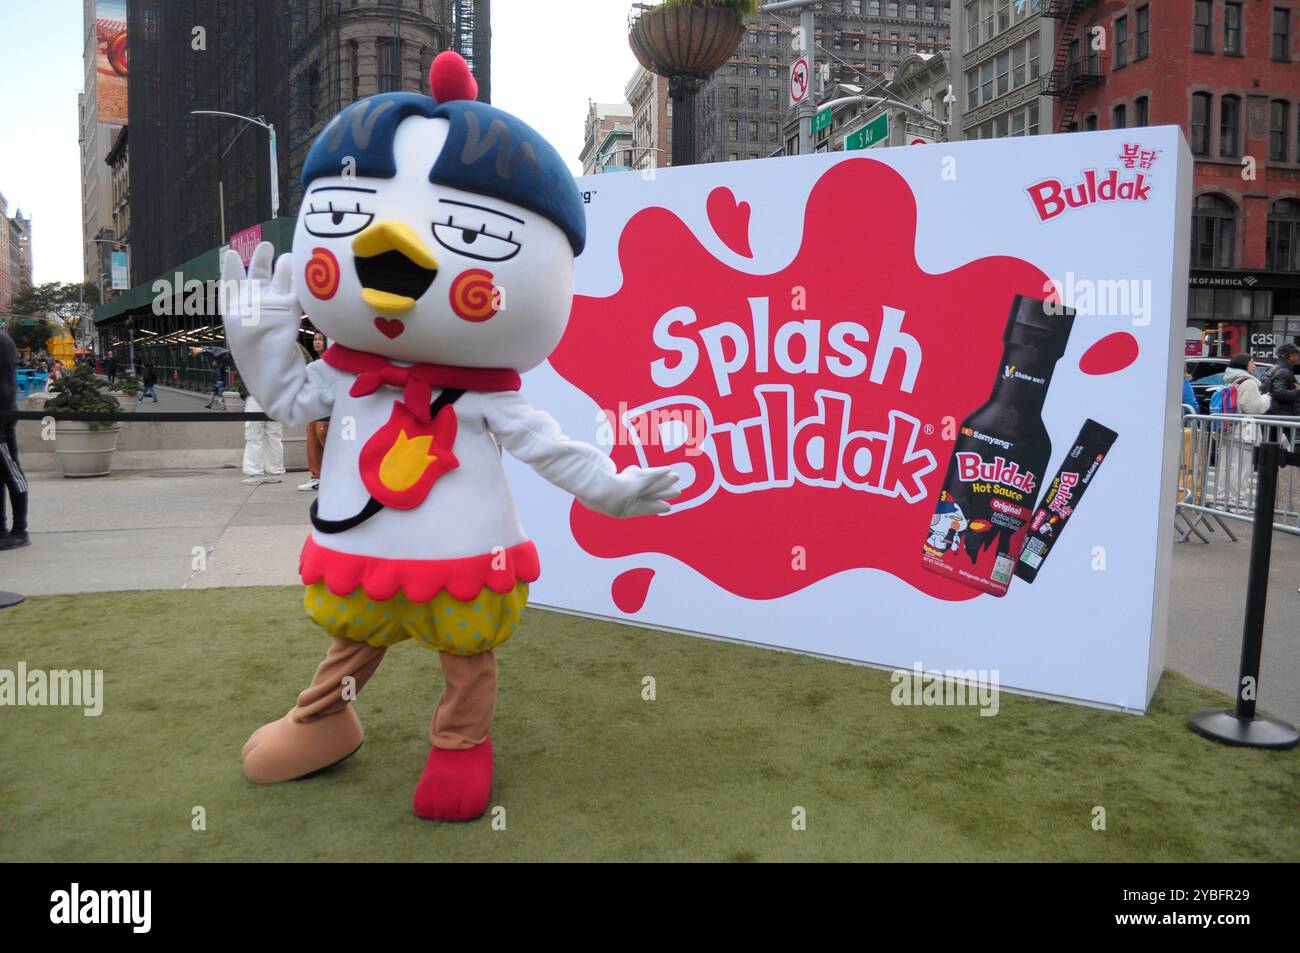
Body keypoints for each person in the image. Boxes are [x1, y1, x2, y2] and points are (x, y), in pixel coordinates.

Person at [1217, 354, 1272, 510]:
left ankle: (1221, 500)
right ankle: (1237, 502)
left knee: (1225, 465)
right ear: (1244, 365)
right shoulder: (1249, 383)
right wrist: (1267, 398)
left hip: (1228, 429)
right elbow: (1253, 407)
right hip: (1245, 431)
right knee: (1241, 468)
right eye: (1251, 362)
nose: (1254, 366)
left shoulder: (1229, 379)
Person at [0, 329, 30, 550]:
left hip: (2, 418)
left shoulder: (2, 341)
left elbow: (5, 387)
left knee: (12, 473)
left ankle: (20, 530)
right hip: (4, 414)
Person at [238, 375, 286, 485]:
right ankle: (274, 472)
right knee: (274, 436)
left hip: (255, 393)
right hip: (276, 394)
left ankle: (256, 472)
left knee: (254, 435)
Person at [300, 330, 329, 492]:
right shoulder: (317, 361)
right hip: (318, 406)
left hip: (331, 408)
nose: (316, 342)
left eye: (320, 339)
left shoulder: (334, 360)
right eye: (315, 339)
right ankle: (317, 476)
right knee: (312, 428)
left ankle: (337, 473)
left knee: (323, 432)